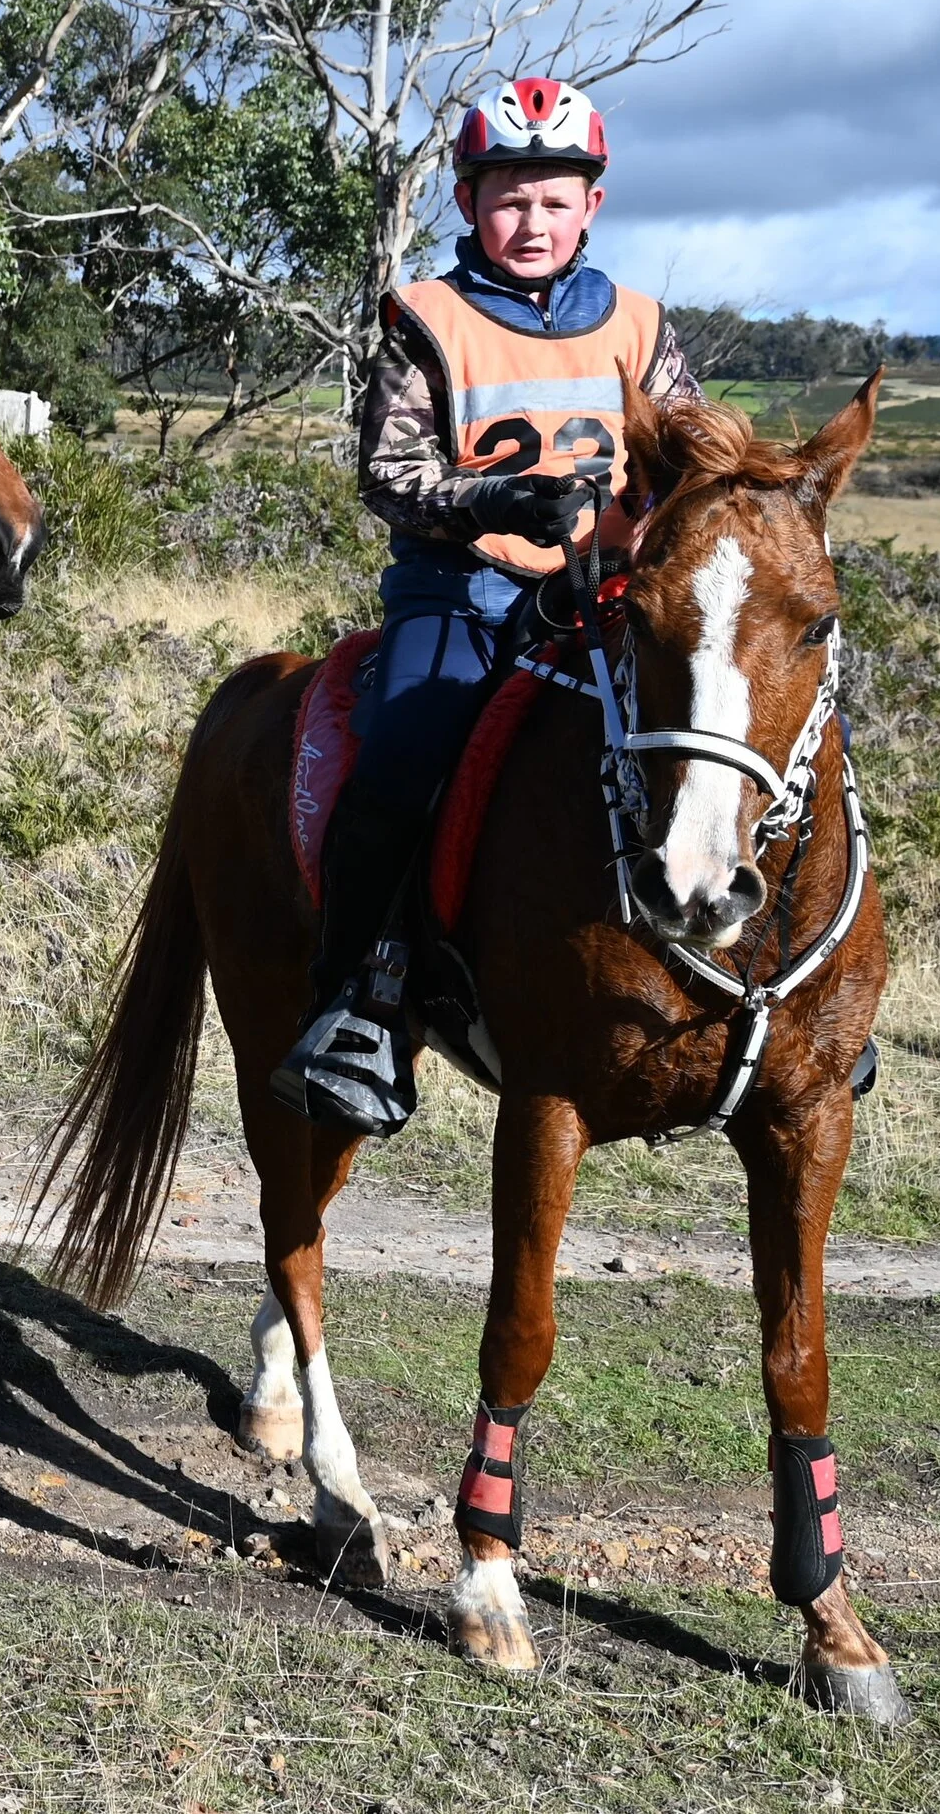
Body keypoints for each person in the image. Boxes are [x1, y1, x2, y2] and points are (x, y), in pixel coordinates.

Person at [272, 76, 701, 1136]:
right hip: (459, 589)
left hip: (602, 595)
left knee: (740, 720)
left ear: (590, 206)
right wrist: (497, 497)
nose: (532, 222)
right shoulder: (428, 316)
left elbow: (695, 452)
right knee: (404, 759)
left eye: (554, 200)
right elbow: (387, 468)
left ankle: (787, 984)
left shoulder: (642, 327)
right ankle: (360, 1000)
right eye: (509, 198)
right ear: (468, 201)